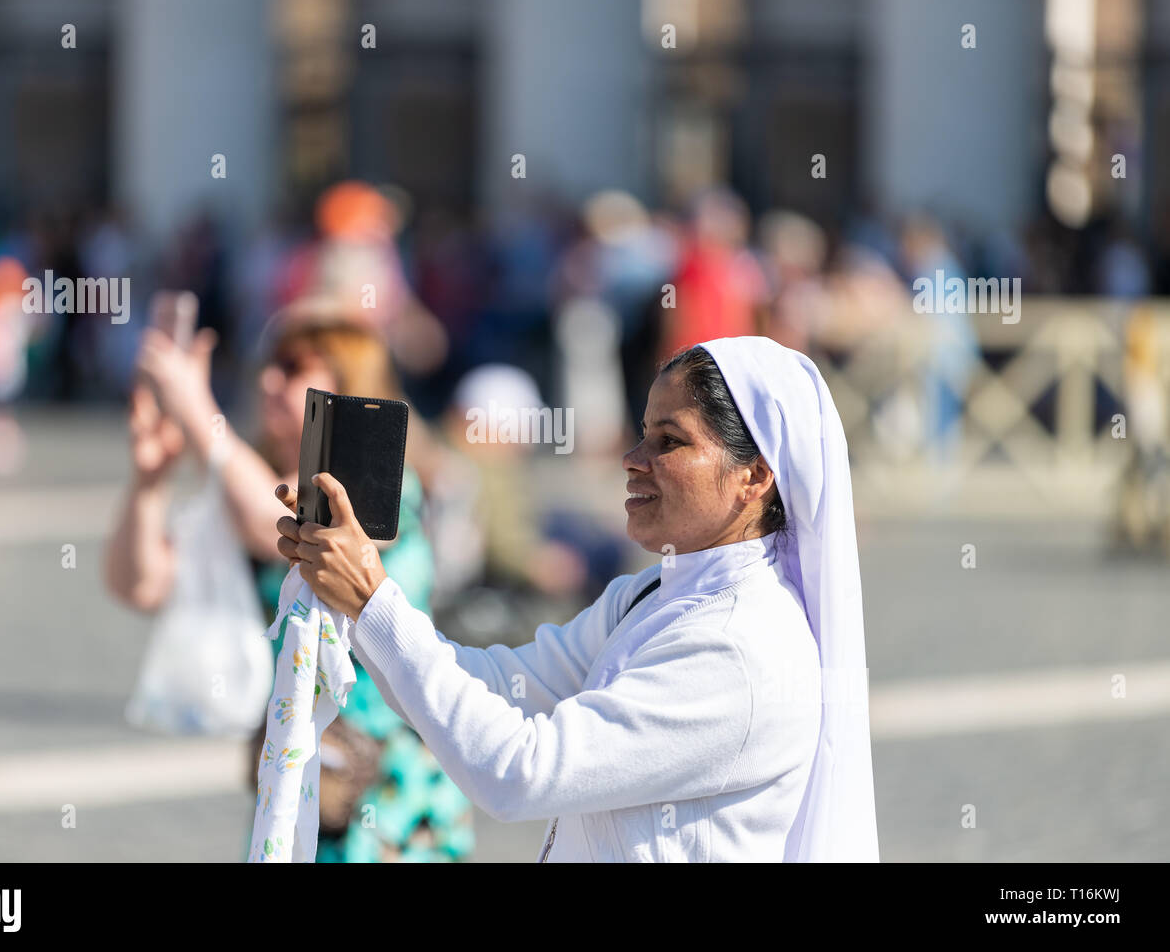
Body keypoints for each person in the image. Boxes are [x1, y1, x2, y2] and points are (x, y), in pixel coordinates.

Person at [274, 335, 880, 861]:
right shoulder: (651, 592)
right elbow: (496, 680)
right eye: (643, 433)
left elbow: (520, 772)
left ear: (756, 473)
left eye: (669, 442)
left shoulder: (741, 647)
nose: (633, 460)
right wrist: (358, 599)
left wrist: (375, 600)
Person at [104, 317, 474, 862]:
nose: (269, 382)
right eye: (269, 366)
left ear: (344, 387)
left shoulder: (381, 491)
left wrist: (198, 412)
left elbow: (275, 521)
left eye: (293, 368)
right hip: (297, 782)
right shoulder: (249, 478)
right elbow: (140, 584)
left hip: (389, 792)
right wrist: (149, 480)